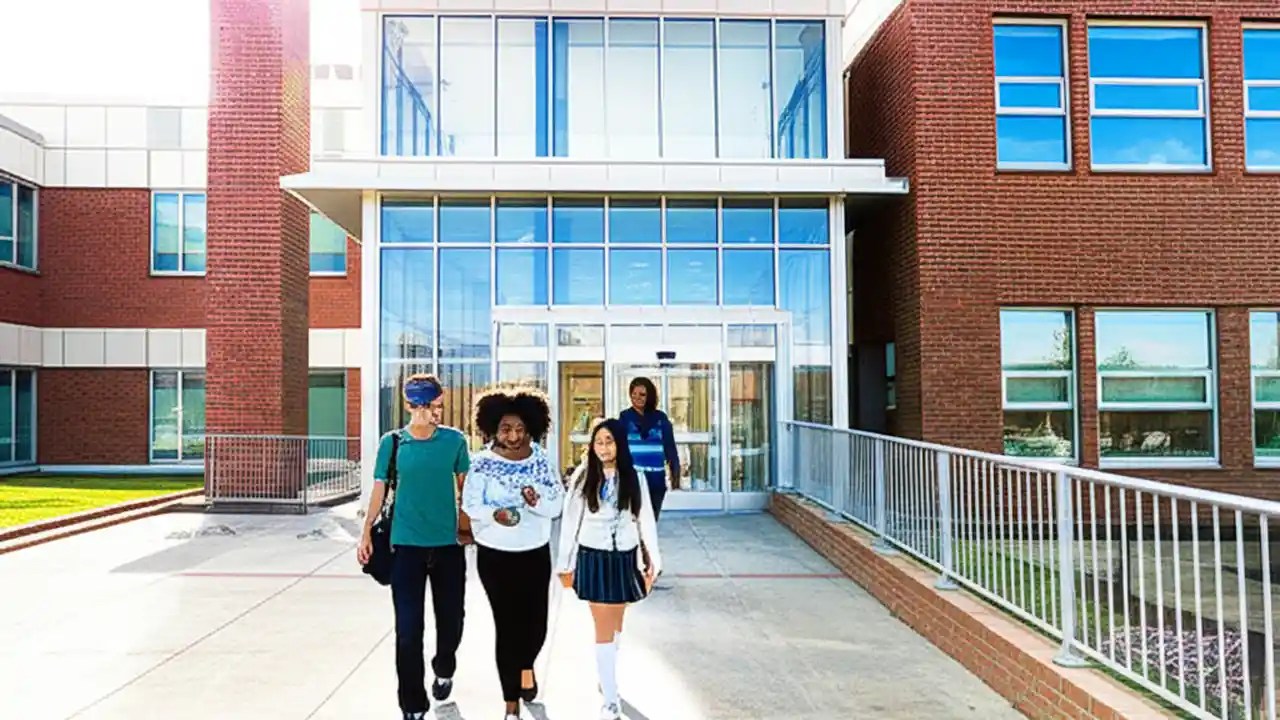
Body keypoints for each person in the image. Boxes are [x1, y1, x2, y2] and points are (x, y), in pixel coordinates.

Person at [357, 374, 472, 720]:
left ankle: (444, 666)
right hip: (405, 546)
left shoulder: (455, 441)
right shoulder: (392, 444)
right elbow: (379, 489)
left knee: (451, 621)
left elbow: (466, 489)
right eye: (430, 406)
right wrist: (365, 533)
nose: (436, 412)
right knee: (408, 630)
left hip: (448, 547)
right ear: (411, 406)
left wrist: (468, 529)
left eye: (438, 405)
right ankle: (412, 704)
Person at [461, 386, 564, 720]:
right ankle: (510, 703)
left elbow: (557, 504)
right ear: (493, 428)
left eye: (520, 429)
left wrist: (538, 502)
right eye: (506, 429)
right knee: (507, 627)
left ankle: (526, 666)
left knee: (536, 627)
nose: (514, 436)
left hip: (534, 554)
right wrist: (496, 515)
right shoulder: (481, 464)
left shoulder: (542, 461)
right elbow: (471, 504)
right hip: (495, 557)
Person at [555, 419, 662, 720]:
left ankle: (606, 676)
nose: (603, 448)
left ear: (620, 444)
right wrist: (565, 564)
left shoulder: (635, 477)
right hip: (594, 557)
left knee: (616, 625)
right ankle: (611, 699)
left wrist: (653, 562)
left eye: (609, 441)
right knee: (603, 628)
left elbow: (646, 521)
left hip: (624, 559)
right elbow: (570, 523)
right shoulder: (582, 477)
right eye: (598, 442)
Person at [618, 377, 680, 519]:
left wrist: (675, 474)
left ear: (650, 396)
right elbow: (619, 446)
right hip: (632, 477)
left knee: (650, 521)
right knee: (632, 520)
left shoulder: (660, 418)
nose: (637, 398)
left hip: (655, 478)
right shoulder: (625, 417)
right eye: (633, 394)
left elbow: (670, 448)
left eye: (642, 395)